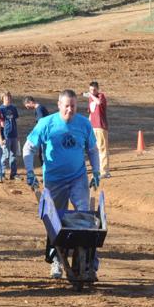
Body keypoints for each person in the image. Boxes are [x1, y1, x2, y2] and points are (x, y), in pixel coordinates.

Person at [23, 89, 101, 279]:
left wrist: (96, 171)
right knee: (55, 221)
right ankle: (57, 258)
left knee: (84, 218)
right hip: (54, 180)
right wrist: (30, 172)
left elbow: (92, 149)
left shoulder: (84, 124)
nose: (70, 110)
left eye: (73, 106)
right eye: (66, 106)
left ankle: (88, 261)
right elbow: (28, 147)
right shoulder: (46, 124)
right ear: (59, 105)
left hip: (78, 178)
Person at [86, 81, 110, 178]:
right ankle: (98, 170)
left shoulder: (101, 96)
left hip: (100, 126)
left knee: (102, 148)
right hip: (93, 126)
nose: (92, 91)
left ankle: (104, 171)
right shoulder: (91, 99)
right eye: (90, 90)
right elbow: (91, 113)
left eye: (94, 90)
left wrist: (91, 96)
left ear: (97, 89)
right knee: (95, 149)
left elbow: (99, 102)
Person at [0, 91, 20, 180]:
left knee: (13, 155)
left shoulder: (13, 108)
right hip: (5, 136)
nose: (8, 99)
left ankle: (13, 174)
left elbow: (15, 122)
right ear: (2, 98)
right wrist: (1, 138)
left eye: (9, 97)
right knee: (5, 155)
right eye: (6, 98)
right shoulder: (0, 109)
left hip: (13, 135)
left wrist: (17, 134)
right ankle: (2, 173)